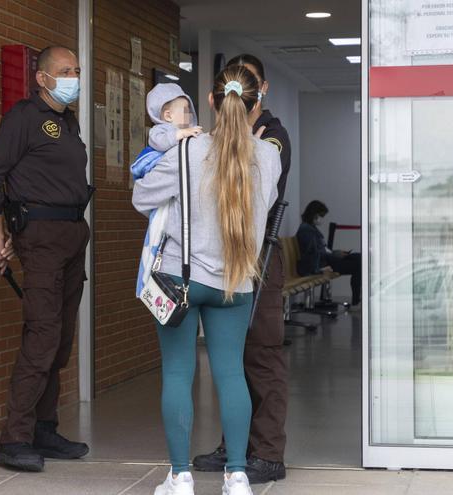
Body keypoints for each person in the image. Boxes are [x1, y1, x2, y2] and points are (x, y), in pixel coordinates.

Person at [132, 65, 281, 495]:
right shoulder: (268, 157)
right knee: (231, 373)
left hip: (181, 280)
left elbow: (141, 196)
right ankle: (237, 477)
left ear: (212, 102)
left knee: (178, 374)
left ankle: (180, 477)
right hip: (236, 281)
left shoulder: (188, 151)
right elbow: (266, 204)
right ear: (257, 105)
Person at [0, 46, 92, 472]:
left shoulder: (68, 120)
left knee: (61, 338)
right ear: (42, 78)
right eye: (65, 71)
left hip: (71, 233)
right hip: (40, 236)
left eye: (77, 70)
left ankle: (45, 429)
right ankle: (14, 439)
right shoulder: (23, 119)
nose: (73, 77)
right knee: (42, 335)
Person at [192, 54, 293, 484]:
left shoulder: (272, 138)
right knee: (231, 359)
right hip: (223, 257)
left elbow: (263, 198)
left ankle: (267, 453)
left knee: (262, 355)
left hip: (258, 256)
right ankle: (234, 446)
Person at [132, 83, 202, 297]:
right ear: (167, 115)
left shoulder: (183, 134)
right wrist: (180, 135)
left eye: (190, 110)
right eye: (184, 110)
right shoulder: (162, 131)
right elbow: (159, 141)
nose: (189, 114)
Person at [296, 200, 362, 306]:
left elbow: (320, 250)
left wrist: (335, 252)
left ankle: (356, 301)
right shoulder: (306, 230)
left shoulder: (310, 229)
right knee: (359, 264)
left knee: (359, 258)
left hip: (326, 260)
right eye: (321, 215)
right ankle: (356, 302)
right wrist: (333, 254)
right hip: (323, 264)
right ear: (314, 215)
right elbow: (314, 252)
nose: (322, 219)